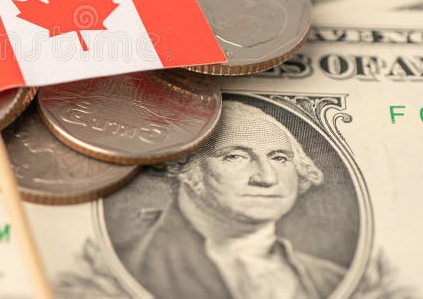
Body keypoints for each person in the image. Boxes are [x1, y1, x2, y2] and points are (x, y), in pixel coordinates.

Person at [119, 101, 346, 298]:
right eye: (234, 156)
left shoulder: (331, 279)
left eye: (279, 158)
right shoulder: (130, 264)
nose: (267, 178)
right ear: (185, 166)